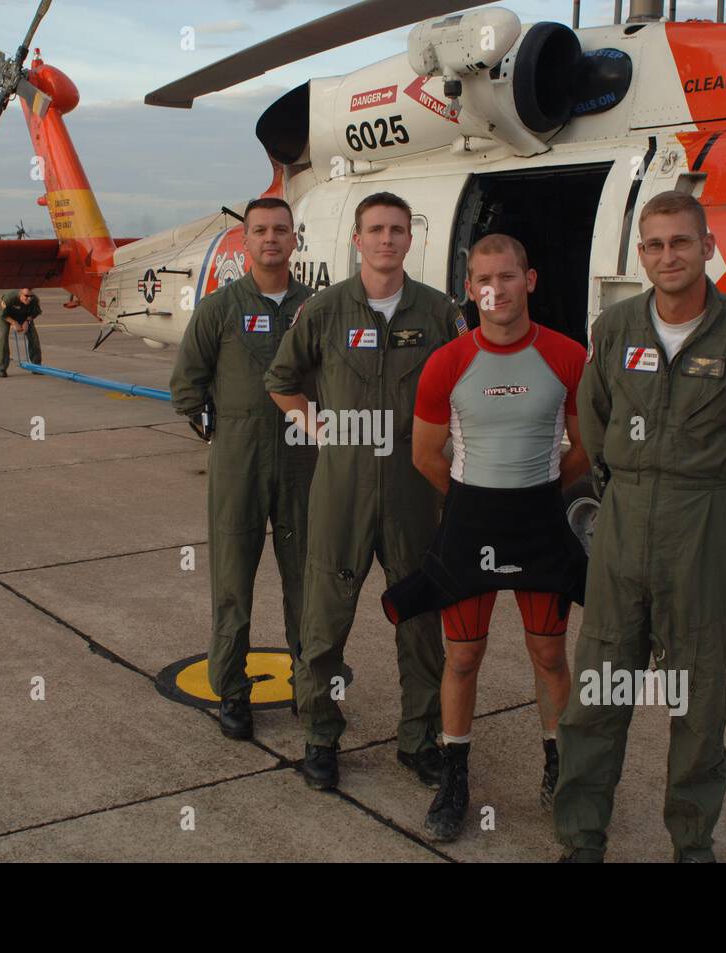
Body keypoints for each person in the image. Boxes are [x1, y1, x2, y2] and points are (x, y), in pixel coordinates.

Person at [554, 190, 726, 862]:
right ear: (640, 254)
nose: (668, 255)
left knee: (696, 696)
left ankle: (693, 840)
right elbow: (596, 417)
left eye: (681, 242)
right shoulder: (615, 329)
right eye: (655, 244)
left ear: (706, 245)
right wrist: (617, 491)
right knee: (598, 685)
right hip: (623, 523)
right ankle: (581, 833)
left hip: (704, 522)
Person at [381, 234, 589, 841]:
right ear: (469, 290)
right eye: (482, 279)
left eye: (507, 275)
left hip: (541, 524)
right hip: (471, 528)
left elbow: (586, 448)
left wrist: (536, 493)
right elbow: (424, 455)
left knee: (550, 654)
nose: (494, 288)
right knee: (464, 657)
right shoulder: (448, 362)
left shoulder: (568, 356)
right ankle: (455, 776)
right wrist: (478, 502)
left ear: (530, 280)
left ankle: (559, 769)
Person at [265, 192, 468, 791]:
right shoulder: (324, 310)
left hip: (414, 489)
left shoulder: (439, 313)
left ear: (411, 239)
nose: (386, 239)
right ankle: (321, 738)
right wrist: (314, 426)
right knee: (326, 623)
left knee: (421, 621)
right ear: (357, 240)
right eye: (375, 229)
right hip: (342, 489)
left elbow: (465, 384)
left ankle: (420, 739)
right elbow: (281, 380)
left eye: (397, 230)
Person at [169, 197, 315, 740]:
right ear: (247, 241)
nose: (271, 238)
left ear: (294, 239)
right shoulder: (220, 307)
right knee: (232, 582)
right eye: (260, 230)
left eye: (281, 229)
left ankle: (311, 686)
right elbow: (187, 382)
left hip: (305, 461)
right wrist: (220, 432)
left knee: (308, 581)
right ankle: (232, 690)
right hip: (239, 462)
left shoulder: (317, 308)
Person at [0, 287, 42, 377]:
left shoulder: (34, 299)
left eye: (31, 296)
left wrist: (27, 322)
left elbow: (35, 312)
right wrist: (14, 323)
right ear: (20, 294)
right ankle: (2, 368)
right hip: (7, 317)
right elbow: (3, 314)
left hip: (24, 316)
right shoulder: (9, 298)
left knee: (34, 337)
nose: (29, 298)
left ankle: (36, 366)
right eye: (26, 296)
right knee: (4, 336)